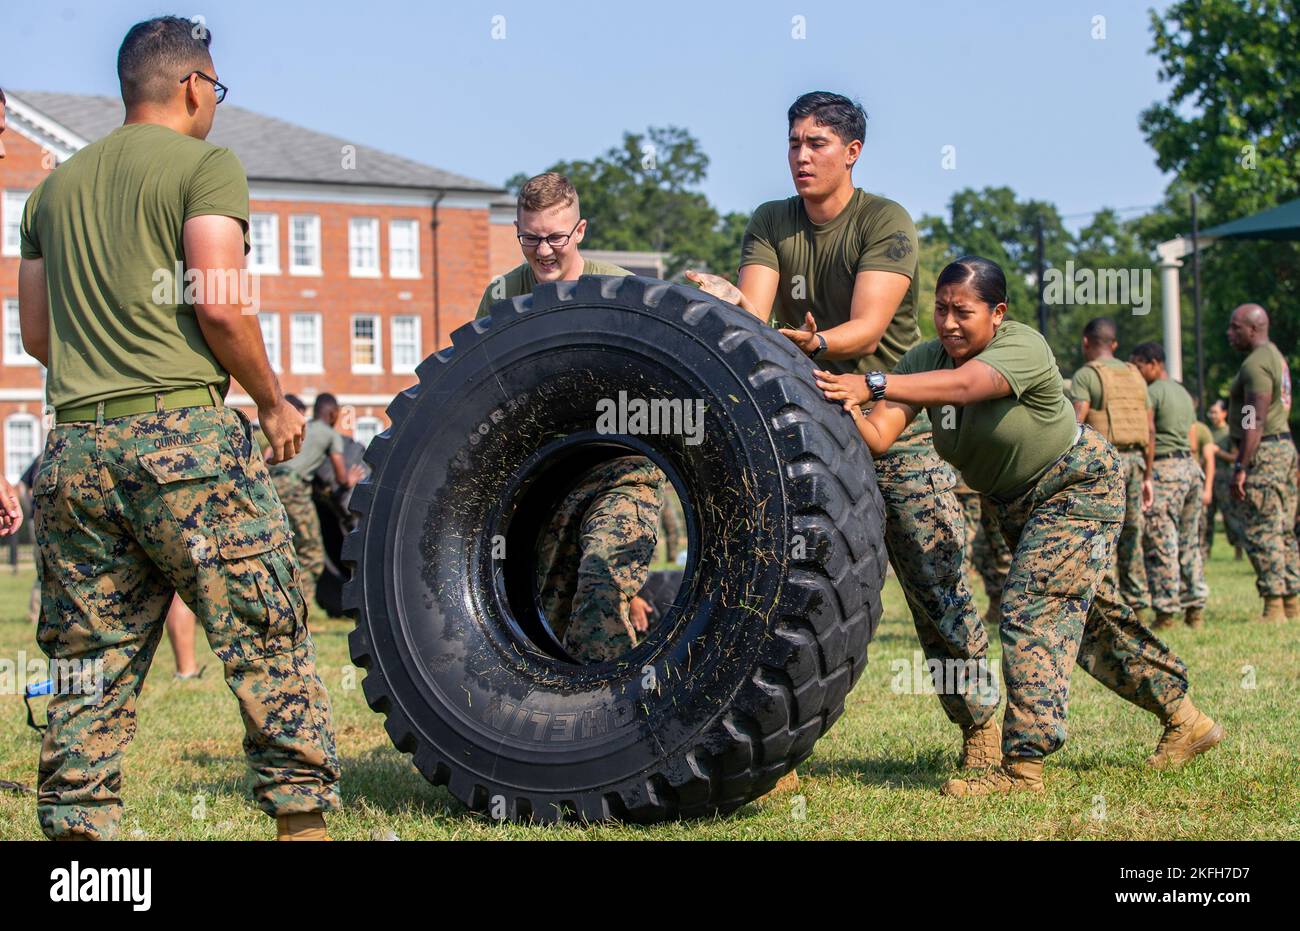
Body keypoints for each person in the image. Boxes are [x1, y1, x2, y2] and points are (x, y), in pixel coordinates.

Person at [17, 17, 339, 840]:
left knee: (88, 673)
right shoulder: (205, 166)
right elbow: (220, 302)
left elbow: (36, 336)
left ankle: (83, 862)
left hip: (76, 449)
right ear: (195, 85)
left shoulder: (53, 190)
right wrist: (271, 402)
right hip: (185, 444)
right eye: (216, 91)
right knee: (269, 640)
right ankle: (304, 829)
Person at [814, 256, 1221, 795]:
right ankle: (1188, 721)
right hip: (1016, 505)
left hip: (1077, 486)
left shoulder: (1022, 347)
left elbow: (965, 387)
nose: (949, 323)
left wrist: (875, 381)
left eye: (964, 311)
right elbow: (881, 435)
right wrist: (830, 394)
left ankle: (1022, 769)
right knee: (1097, 624)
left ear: (997, 312)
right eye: (940, 310)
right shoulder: (925, 358)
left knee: (1030, 608)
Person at [687, 92, 999, 773]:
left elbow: (867, 330)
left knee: (934, 580)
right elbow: (752, 320)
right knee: (794, 591)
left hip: (889, 419)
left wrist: (806, 340)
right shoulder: (771, 221)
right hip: (806, 426)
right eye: (794, 142)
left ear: (851, 152)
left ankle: (982, 730)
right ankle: (776, 741)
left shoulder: (885, 221)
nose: (801, 155)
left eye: (816, 143)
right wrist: (730, 304)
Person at [478, 172, 663, 660]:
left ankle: (619, 716)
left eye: (555, 238)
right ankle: (570, 721)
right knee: (554, 614)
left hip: (622, 469)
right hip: (547, 481)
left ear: (579, 231)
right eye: (530, 238)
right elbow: (479, 393)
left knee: (600, 584)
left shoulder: (619, 290)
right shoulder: (502, 299)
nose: (542, 252)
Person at [1068, 317, 1156, 623]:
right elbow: (1150, 428)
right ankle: (1139, 602)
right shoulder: (1136, 375)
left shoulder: (1086, 375)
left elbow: (1076, 426)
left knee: (1102, 532)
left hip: (1106, 463)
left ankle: (1106, 603)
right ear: (1115, 345)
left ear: (1085, 342)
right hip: (1137, 462)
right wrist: (1148, 476)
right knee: (1133, 532)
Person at [1226, 304, 1299, 621]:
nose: (1230, 334)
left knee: (1263, 528)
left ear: (1253, 328)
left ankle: (1274, 605)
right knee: (1283, 528)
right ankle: (1291, 602)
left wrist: (1242, 465)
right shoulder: (1275, 357)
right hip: (1283, 447)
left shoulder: (1255, 365)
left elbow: (1252, 418)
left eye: (1235, 327)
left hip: (1264, 451)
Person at [1128, 343, 1208, 629]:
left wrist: (1147, 475)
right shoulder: (1182, 392)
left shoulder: (1151, 394)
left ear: (1154, 363)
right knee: (1189, 542)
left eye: (1138, 365)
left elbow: (1149, 433)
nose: (1136, 372)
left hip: (1165, 469)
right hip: (1189, 468)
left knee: (1161, 541)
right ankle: (1195, 607)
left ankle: (1166, 612)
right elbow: (1193, 435)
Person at [268, 392, 363, 607]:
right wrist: (352, 478)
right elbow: (341, 478)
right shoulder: (331, 436)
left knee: (277, 547)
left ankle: (274, 602)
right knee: (312, 556)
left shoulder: (302, 427)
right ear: (333, 414)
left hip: (272, 483)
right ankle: (300, 611)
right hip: (293, 487)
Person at [954, 480, 1011, 624]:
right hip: (963, 487)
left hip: (991, 483)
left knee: (1001, 546)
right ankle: (963, 615)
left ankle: (1001, 606)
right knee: (961, 548)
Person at [1204, 399, 1244, 558]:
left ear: (1224, 413)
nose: (1212, 415)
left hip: (1225, 480)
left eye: (1215, 412)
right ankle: (1205, 551)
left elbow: (1236, 457)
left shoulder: (1229, 433)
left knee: (1230, 517)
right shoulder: (1208, 433)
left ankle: (1238, 550)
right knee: (1207, 518)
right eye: (1211, 412)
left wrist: (1218, 452)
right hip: (1209, 479)